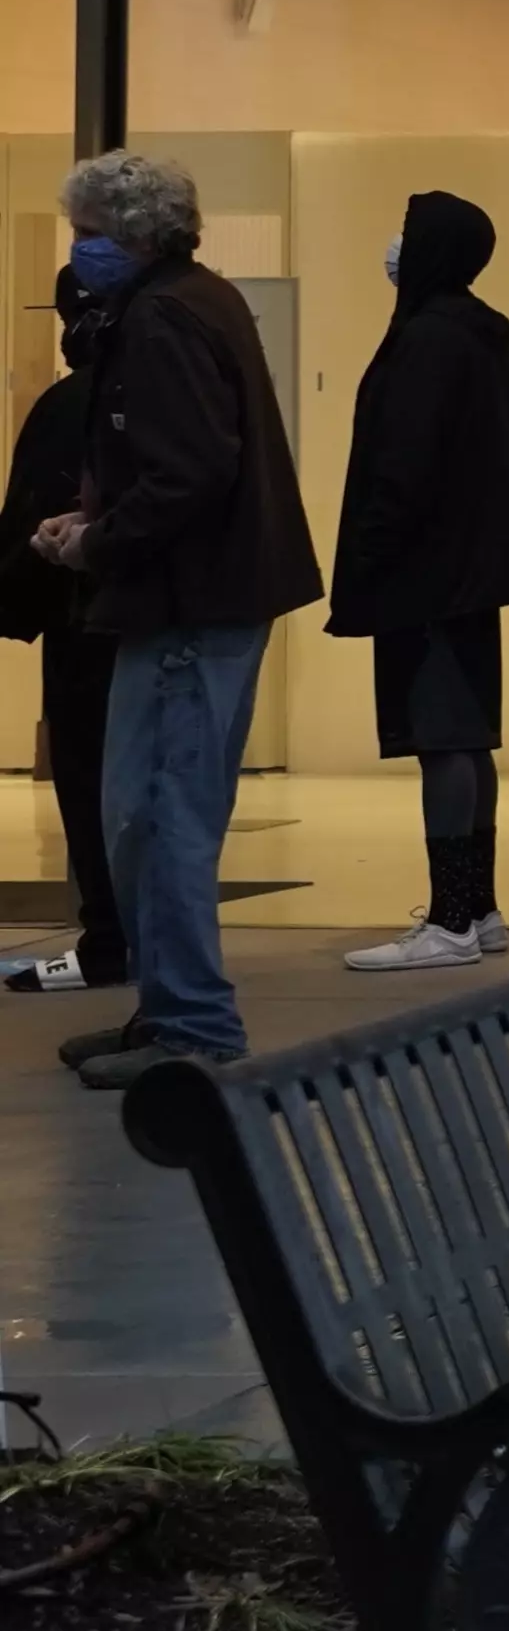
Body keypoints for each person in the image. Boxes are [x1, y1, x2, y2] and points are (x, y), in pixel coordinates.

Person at [40, 150, 318, 1093]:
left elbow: (188, 473)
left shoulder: (161, 318)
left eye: (91, 235)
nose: (79, 253)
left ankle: (192, 1023)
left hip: (190, 602)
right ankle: (167, 1006)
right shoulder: (195, 300)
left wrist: (98, 543)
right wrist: (97, 522)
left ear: (138, 237)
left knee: (159, 815)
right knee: (144, 815)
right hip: (200, 592)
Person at [326, 191, 509, 966]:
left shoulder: (426, 341)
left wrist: (372, 555)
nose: (394, 248)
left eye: (407, 235)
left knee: (442, 738)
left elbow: (403, 464)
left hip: (426, 573)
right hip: (469, 571)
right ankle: (476, 909)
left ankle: (449, 920)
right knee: (467, 739)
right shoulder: (479, 338)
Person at [6, 270, 122, 1009]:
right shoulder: (153, 390)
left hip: (88, 616)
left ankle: (108, 939)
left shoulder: (75, 402)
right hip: (149, 617)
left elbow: (33, 511)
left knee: (91, 783)